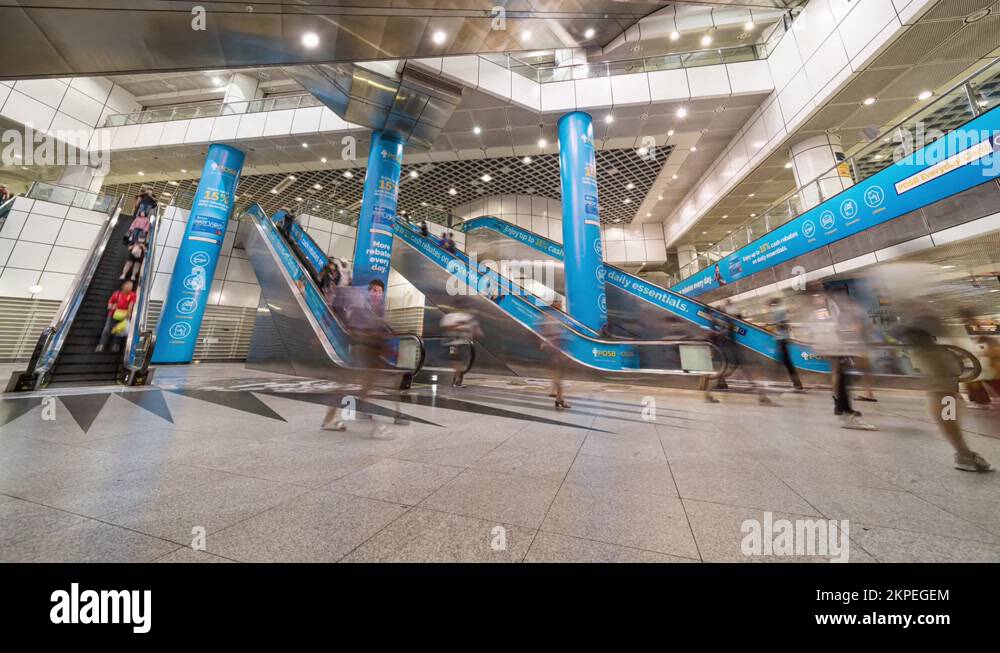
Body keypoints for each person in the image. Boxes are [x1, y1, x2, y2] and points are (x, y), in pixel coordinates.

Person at [895, 312, 992, 472]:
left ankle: (962, 451)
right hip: (924, 337)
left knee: (947, 391)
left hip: (928, 335)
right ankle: (963, 453)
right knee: (944, 392)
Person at [322, 279, 392, 433]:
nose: (377, 294)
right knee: (344, 385)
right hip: (359, 351)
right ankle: (329, 420)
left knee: (366, 389)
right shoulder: (360, 307)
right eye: (374, 290)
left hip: (373, 355)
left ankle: (372, 422)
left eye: (380, 291)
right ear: (369, 291)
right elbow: (352, 326)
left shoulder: (380, 309)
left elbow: (382, 332)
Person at [805, 289, 877, 430]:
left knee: (840, 374)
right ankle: (844, 412)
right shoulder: (822, 308)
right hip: (833, 345)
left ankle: (843, 409)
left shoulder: (828, 305)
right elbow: (829, 326)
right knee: (840, 375)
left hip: (835, 345)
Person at [702, 307, 776, 407]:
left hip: (732, 351)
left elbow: (725, 332)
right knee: (724, 374)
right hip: (728, 352)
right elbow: (719, 334)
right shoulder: (719, 323)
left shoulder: (722, 321)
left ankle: (762, 397)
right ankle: (707, 394)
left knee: (745, 372)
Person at [440, 302, 482, 387]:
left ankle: (456, 380)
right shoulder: (451, 316)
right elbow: (448, 327)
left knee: (459, 362)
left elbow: (478, 332)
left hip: (464, 343)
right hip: (453, 343)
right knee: (456, 361)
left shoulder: (467, 317)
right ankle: (456, 380)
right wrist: (463, 325)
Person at [539, 300, 570, 409]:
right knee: (558, 375)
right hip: (554, 348)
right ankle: (560, 399)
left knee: (558, 375)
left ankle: (558, 398)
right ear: (555, 304)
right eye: (559, 303)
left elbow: (542, 330)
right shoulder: (553, 316)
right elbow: (558, 333)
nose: (561, 305)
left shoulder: (547, 315)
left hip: (552, 347)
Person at [769, 297, 804, 391]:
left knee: (786, 361)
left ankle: (796, 383)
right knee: (782, 359)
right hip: (782, 338)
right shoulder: (779, 310)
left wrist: (777, 325)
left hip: (782, 338)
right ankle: (795, 382)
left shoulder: (778, 311)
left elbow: (784, 325)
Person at [95, 280, 136, 353]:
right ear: (123, 286)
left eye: (131, 286)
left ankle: (116, 345)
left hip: (124, 316)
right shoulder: (116, 294)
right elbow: (109, 304)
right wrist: (112, 306)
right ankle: (102, 344)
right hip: (113, 315)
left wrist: (129, 314)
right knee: (107, 329)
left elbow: (131, 304)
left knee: (119, 329)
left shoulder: (132, 294)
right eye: (128, 286)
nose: (129, 287)